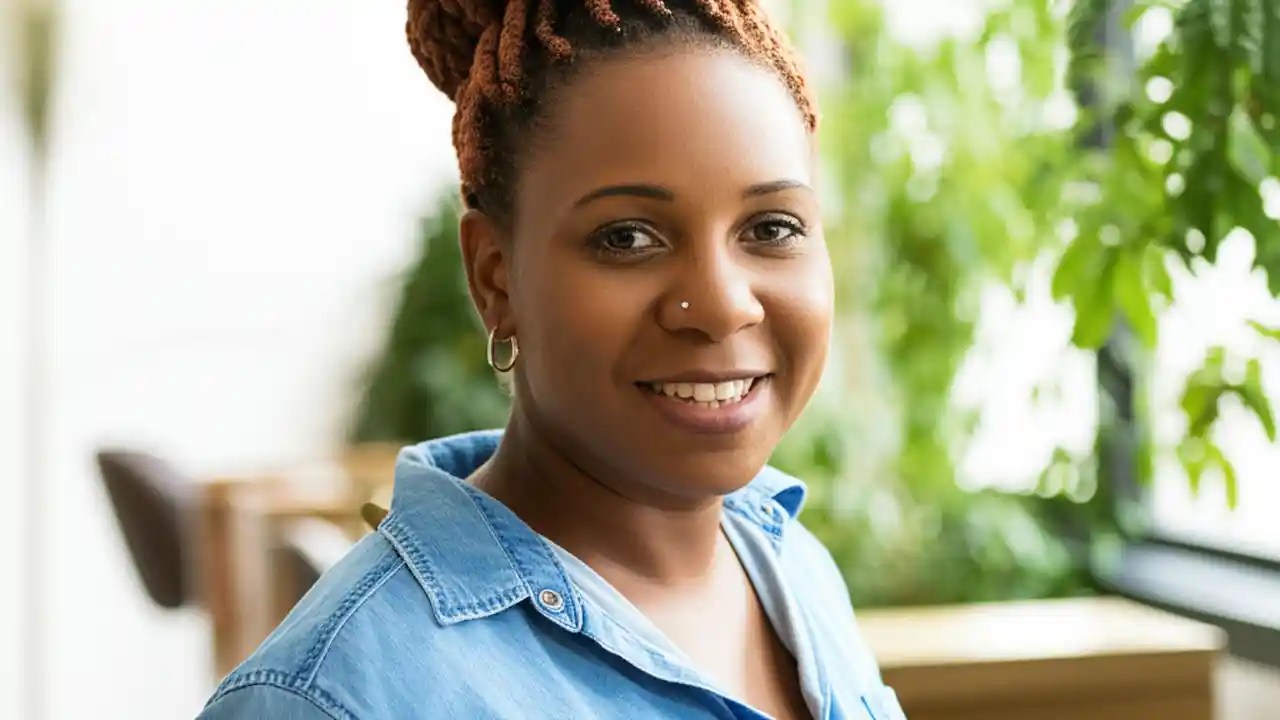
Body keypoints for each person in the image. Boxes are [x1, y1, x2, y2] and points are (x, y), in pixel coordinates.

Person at [200, 0, 905, 718]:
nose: (724, 305)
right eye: (627, 238)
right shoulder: (339, 699)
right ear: (495, 279)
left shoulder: (792, 569)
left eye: (772, 226)